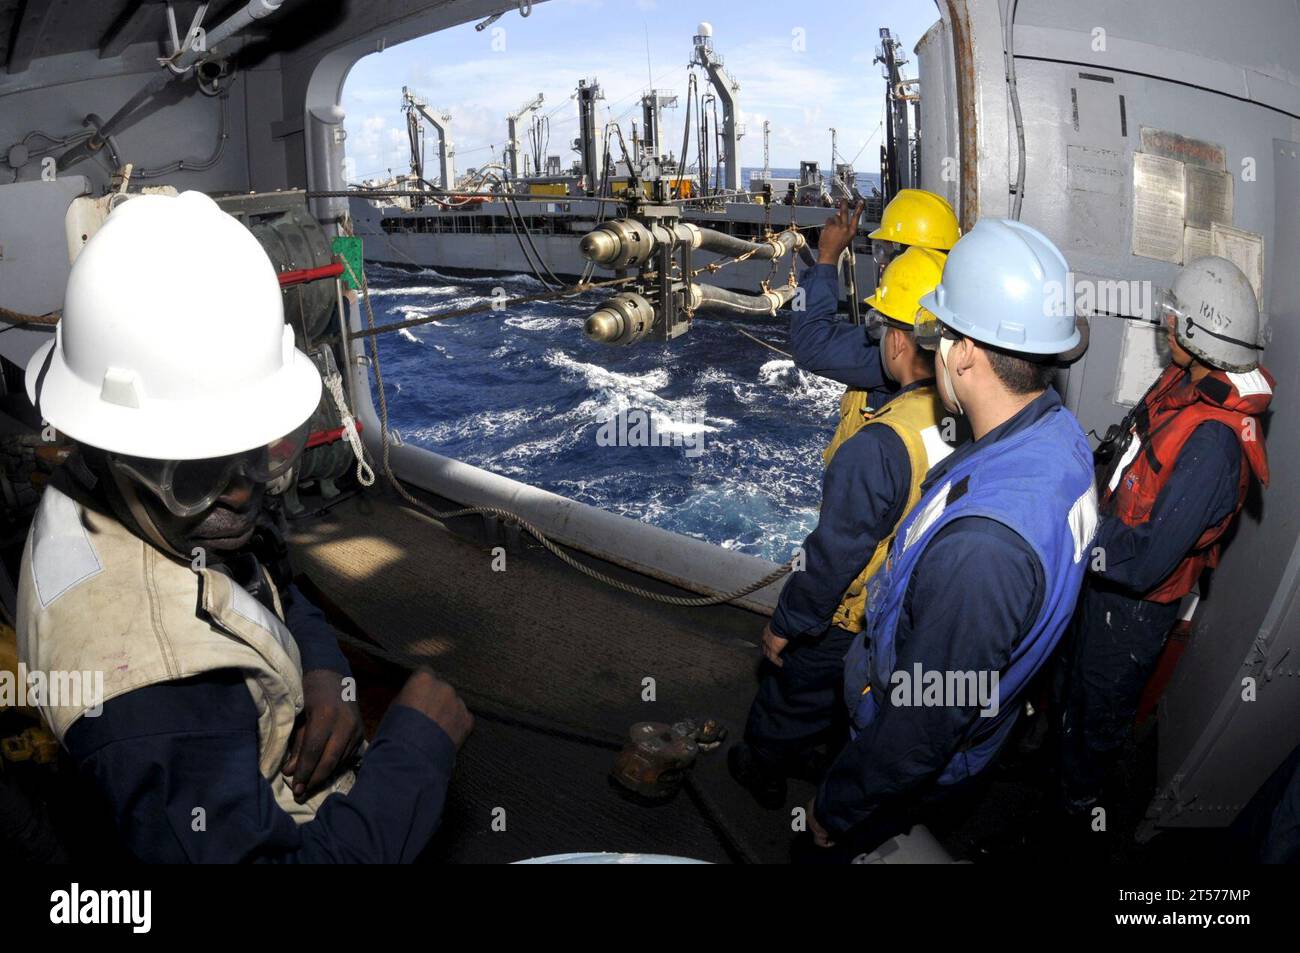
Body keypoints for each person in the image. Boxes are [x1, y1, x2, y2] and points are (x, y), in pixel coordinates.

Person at [16, 190, 472, 863]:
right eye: (199, 470)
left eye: (263, 449)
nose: (241, 489)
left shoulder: (130, 490)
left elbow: (262, 569)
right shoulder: (156, 707)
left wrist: (322, 668)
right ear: (114, 444)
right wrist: (415, 754)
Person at [807, 219, 1097, 859]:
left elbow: (922, 725)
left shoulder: (984, 551)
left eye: (938, 333)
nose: (930, 347)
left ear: (963, 353)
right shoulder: (1057, 436)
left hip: (907, 758)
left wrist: (841, 804)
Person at [730, 245, 955, 808]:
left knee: (793, 689)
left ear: (900, 339)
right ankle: (821, 757)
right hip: (902, 605)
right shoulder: (969, 418)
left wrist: (787, 623)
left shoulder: (880, 445)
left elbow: (833, 555)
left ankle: (761, 769)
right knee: (857, 695)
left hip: (846, 609)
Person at [1060, 256, 1272, 815]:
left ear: (1200, 333)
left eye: (1175, 314)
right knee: (1077, 687)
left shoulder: (1213, 447)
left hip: (1132, 606)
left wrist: (1075, 543)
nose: (1166, 323)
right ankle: (1063, 761)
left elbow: (1148, 559)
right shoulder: (1187, 379)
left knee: (1100, 708)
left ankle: (1080, 807)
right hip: (1107, 579)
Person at [790, 190, 959, 459]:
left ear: (911, 256)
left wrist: (825, 259)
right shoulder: (957, 327)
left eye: (885, 251)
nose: (882, 263)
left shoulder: (898, 343)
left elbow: (807, 343)